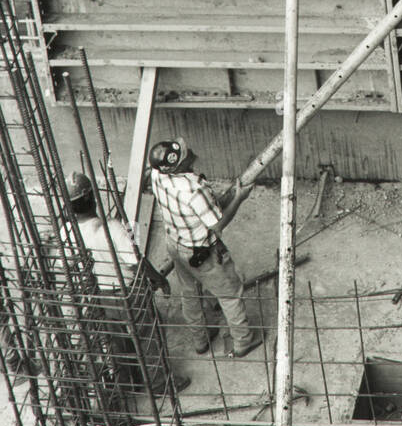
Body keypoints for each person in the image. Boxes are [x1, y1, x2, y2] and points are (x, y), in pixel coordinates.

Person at [66, 171, 190, 398]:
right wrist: (159, 278)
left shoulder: (68, 232)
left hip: (100, 294)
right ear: (92, 197)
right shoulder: (112, 228)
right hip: (127, 292)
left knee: (115, 341)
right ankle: (159, 382)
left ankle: (128, 381)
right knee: (147, 335)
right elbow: (136, 262)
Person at [148, 138, 261, 358]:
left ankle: (200, 340)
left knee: (189, 292)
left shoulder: (157, 175)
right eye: (184, 155)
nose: (189, 152)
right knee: (229, 295)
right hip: (202, 252)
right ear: (178, 165)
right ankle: (243, 342)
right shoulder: (193, 189)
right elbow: (217, 225)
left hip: (176, 244)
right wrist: (239, 198)